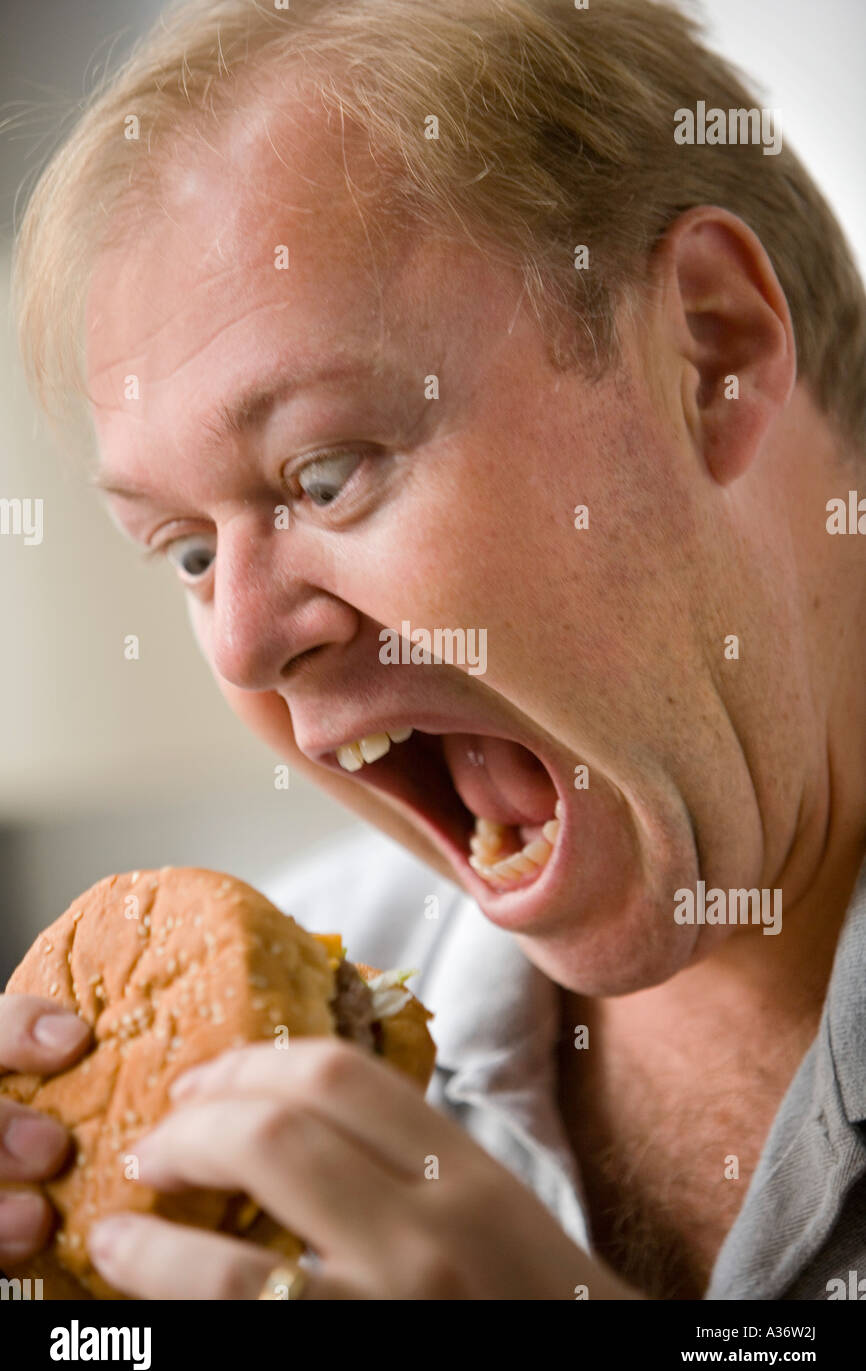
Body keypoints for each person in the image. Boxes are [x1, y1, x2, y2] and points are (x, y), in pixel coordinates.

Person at [2, 0, 865, 1300]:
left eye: (328, 470)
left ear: (710, 348)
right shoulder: (309, 997)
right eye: (184, 550)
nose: (239, 640)